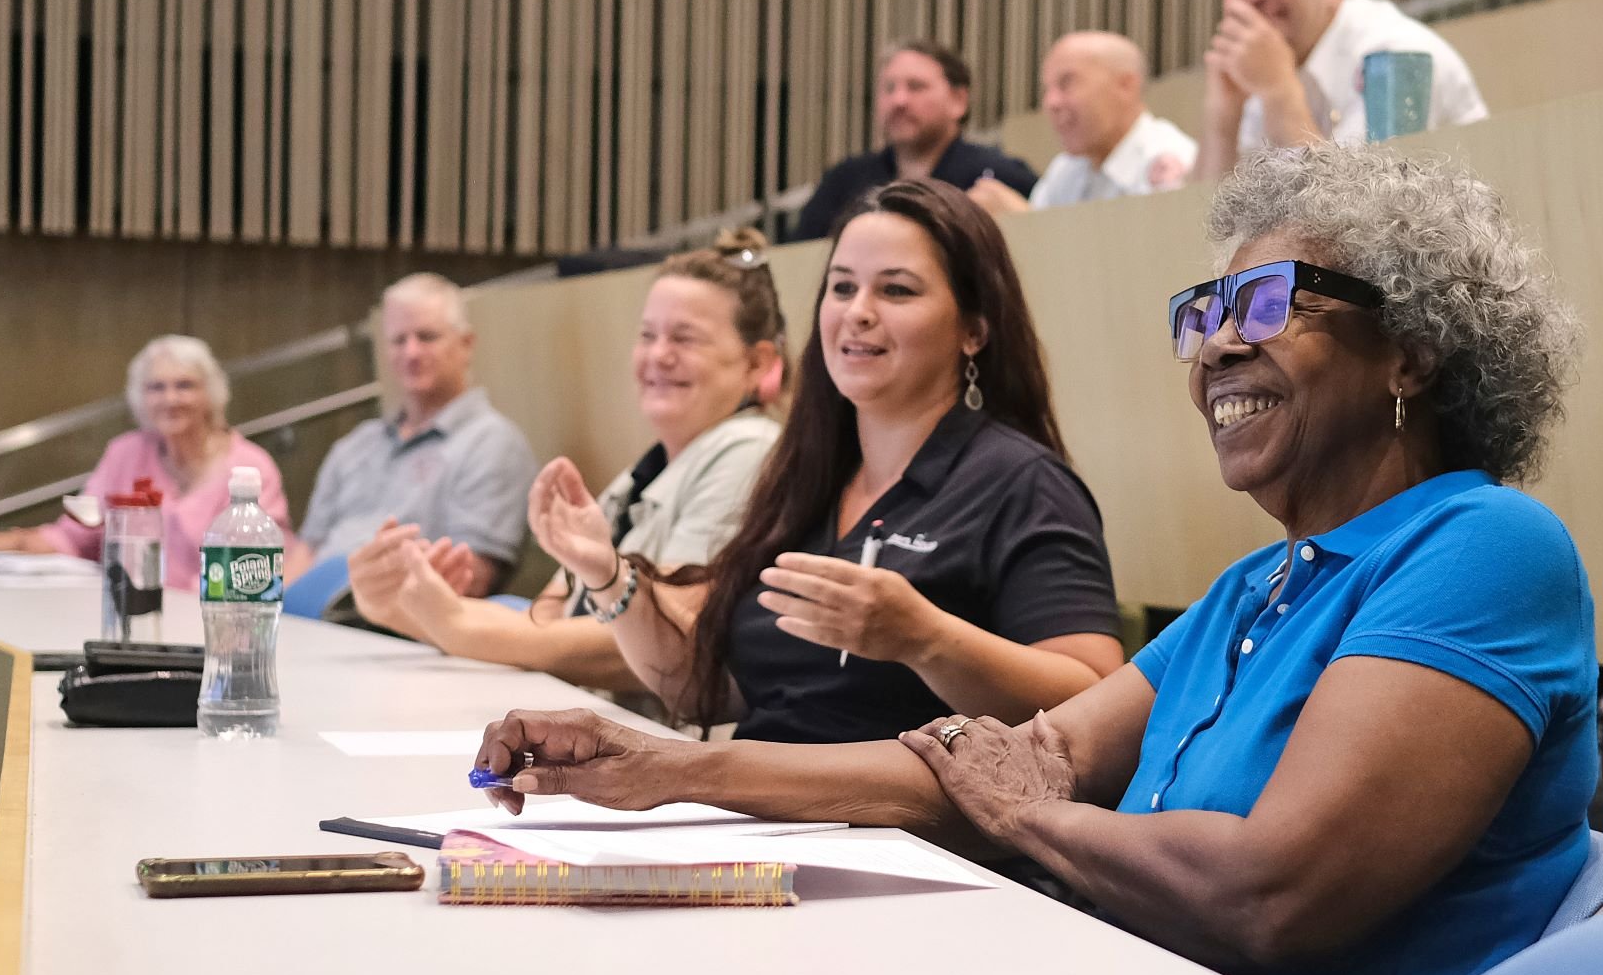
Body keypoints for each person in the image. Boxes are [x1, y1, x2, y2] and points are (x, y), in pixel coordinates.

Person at [476, 145, 1595, 975]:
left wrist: (1035, 820)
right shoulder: (1252, 587)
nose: (1213, 349)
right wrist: (665, 768)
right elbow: (1024, 757)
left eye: (1260, 305)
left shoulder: (1485, 546)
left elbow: (1273, 893)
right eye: (1202, 316)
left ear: (1410, 352)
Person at [519, 178, 1123, 742]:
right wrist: (606, 574)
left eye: (896, 289)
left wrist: (927, 640)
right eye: (842, 287)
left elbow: (1092, 702)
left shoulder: (1023, 483)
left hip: (894, 820)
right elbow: (705, 692)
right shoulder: (807, 474)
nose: (858, 311)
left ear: (974, 330)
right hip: (753, 808)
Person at [346, 232, 788, 692]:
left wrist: (452, 621)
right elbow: (544, 622)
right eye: (647, 335)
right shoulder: (645, 473)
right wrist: (397, 603)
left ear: (757, 363)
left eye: (685, 338)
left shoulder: (749, 451)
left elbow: (662, 643)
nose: (659, 355)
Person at [0, 336, 290, 586]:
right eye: (156, 387)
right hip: (129, 615)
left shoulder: (251, 467)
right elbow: (75, 535)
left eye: (185, 386)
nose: (170, 399)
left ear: (211, 394)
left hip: (213, 622)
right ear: (140, 397)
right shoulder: (125, 453)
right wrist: (11, 542)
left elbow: (259, 569)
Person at [287, 273, 536, 598]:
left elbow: (469, 578)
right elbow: (307, 551)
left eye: (427, 337)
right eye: (398, 340)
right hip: (312, 610)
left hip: (392, 617)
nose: (412, 352)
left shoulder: (493, 444)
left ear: (466, 344)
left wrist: (371, 592)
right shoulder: (356, 444)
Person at [1195, 0, 1486, 180]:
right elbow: (1204, 213)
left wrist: (1280, 94)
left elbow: (1366, 210)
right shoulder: (1262, 72)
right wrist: (1223, 123)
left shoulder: (1397, 56)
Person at [793, 42, 1038, 238]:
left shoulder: (1000, 175)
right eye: (889, 88)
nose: (899, 100)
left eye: (916, 86)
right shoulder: (844, 182)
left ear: (959, 101)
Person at [1029, 31, 1198, 208]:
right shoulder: (1065, 170)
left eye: (1067, 83)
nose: (1051, 103)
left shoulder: (1169, 162)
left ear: (1126, 86)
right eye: (1047, 89)